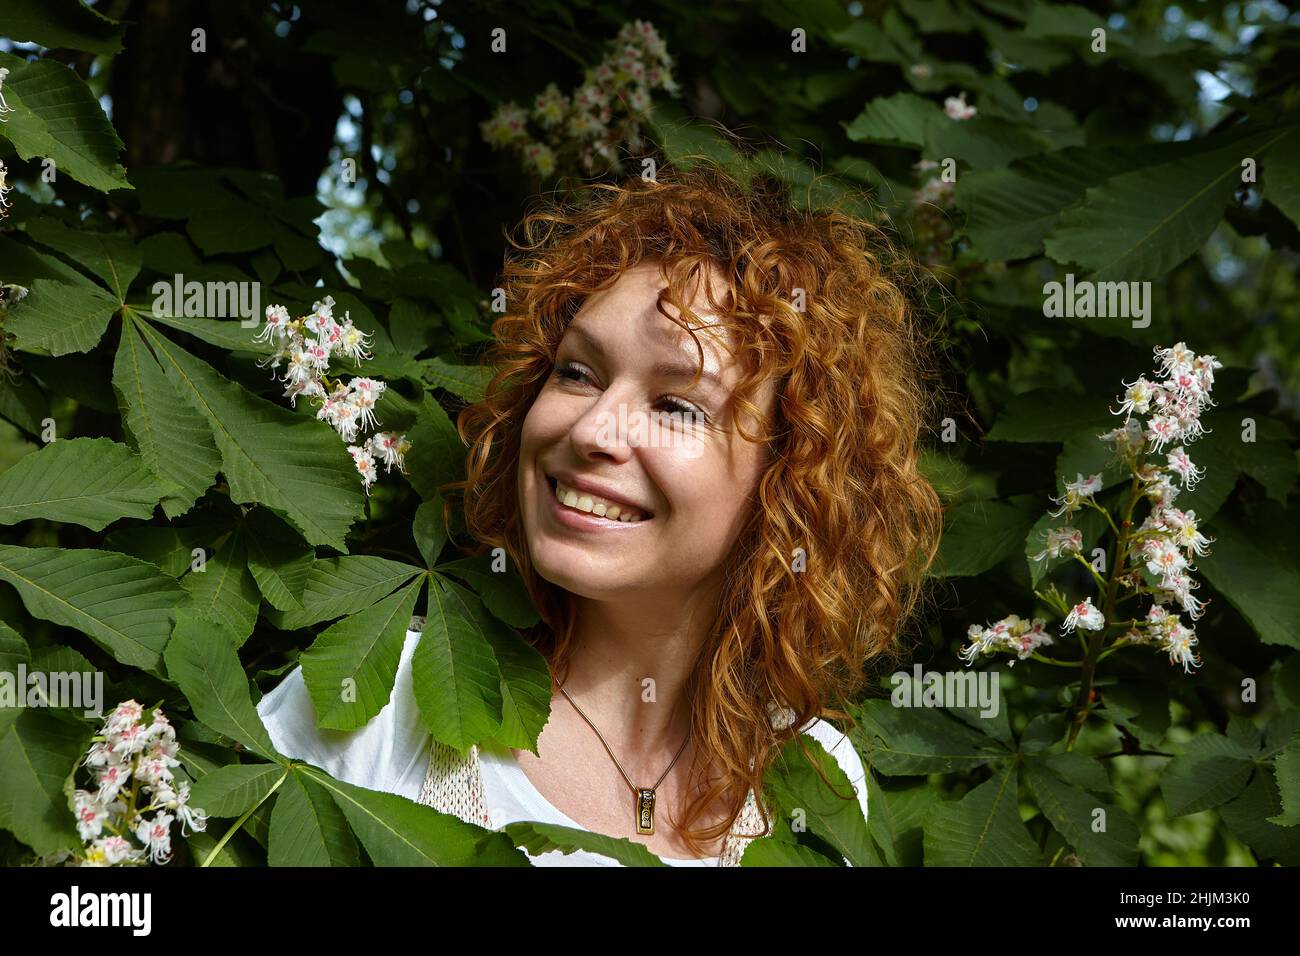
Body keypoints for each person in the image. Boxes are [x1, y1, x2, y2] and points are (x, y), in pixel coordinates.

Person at [258, 159, 944, 865]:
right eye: (578, 372)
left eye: (677, 406)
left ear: (792, 478)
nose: (590, 431)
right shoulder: (381, 704)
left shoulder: (819, 778)